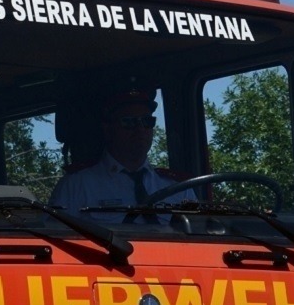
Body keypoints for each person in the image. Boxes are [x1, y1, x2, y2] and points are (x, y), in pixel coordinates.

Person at [50, 83, 193, 223]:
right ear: (108, 129)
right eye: (129, 122)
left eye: (147, 121)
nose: (140, 129)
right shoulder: (77, 185)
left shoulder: (177, 187)